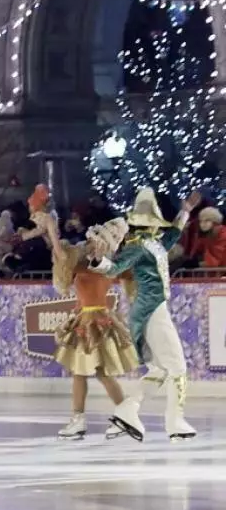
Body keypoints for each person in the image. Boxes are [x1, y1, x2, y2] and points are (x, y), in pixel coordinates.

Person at [90, 187, 201, 441]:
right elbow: (116, 267)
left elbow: (172, 236)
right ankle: (175, 422)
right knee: (178, 368)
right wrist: (100, 261)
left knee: (159, 371)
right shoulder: (138, 247)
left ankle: (127, 411)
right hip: (152, 310)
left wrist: (185, 211)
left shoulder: (153, 244)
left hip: (150, 309)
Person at [34, 208, 137, 439]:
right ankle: (112, 413)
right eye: (91, 238)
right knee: (89, 372)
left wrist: (51, 230)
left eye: (94, 239)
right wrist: (49, 231)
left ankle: (100, 416)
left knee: (91, 372)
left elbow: (62, 257)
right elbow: (63, 259)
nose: (88, 242)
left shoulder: (102, 265)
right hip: (87, 318)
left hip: (94, 320)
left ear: (104, 244)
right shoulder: (90, 263)